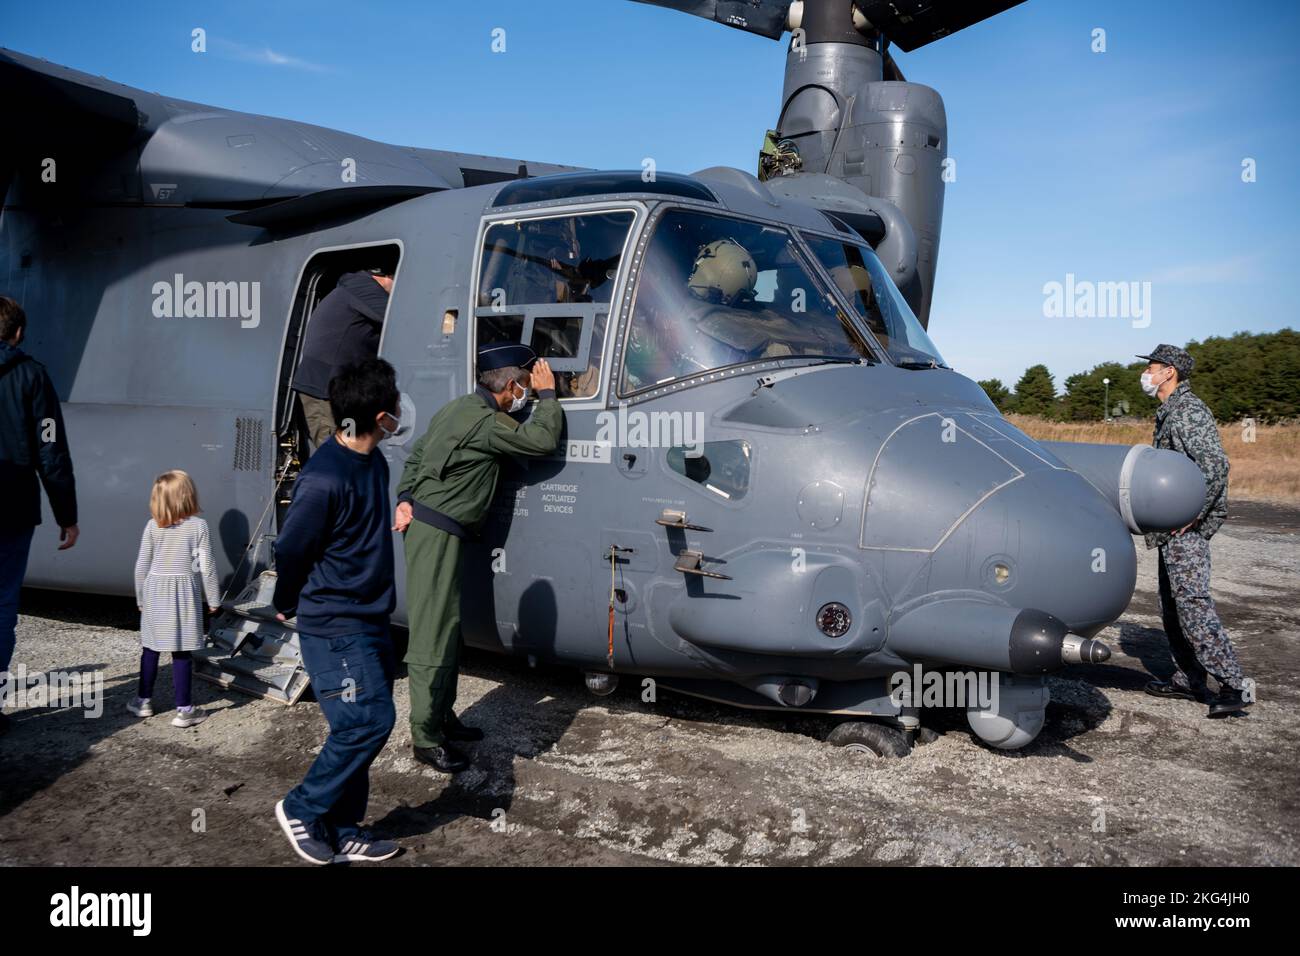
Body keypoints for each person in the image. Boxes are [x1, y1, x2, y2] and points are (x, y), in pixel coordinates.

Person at [394, 345, 563, 774]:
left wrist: (404, 497)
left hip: (434, 528)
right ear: (511, 386)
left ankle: (443, 717)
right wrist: (547, 398)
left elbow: (416, 454)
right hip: (438, 533)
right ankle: (426, 737)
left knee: (448, 628)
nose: (526, 390)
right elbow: (540, 441)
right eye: (525, 383)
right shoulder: (488, 423)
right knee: (433, 633)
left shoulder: (458, 408)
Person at [272, 358, 403, 865]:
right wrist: (286, 601)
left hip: (371, 616)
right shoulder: (323, 478)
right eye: (393, 402)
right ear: (378, 414)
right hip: (334, 623)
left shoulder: (375, 461)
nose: (399, 409)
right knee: (368, 722)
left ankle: (344, 828)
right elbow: (291, 549)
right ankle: (301, 807)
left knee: (357, 724)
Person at [1138, 344, 1251, 718]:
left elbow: (1216, 465)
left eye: (1152, 367)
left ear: (1169, 371)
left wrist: (1195, 514)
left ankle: (1233, 686)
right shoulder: (1169, 410)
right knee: (1172, 607)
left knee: (1193, 606)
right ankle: (1190, 678)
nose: (1147, 374)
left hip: (1185, 529)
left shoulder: (1187, 410)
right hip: (1172, 529)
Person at [0, 295, 78, 738]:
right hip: (11, 509)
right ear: (18, 333)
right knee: (2, 607)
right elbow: (51, 450)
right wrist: (66, 513)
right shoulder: (33, 377)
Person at [128, 471, 220, 727]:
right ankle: (185, 709)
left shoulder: (152, 526)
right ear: (188, 495)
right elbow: (207, 566)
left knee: (151, 648)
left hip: (155, 591)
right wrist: (213, 599)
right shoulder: (198, 526)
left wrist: (141, 598)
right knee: (181, 651)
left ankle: (143, 701)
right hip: (184, 594)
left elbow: (141, 567)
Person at [292, 266, 395, 450]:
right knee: (339, 451)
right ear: (388, 277)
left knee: (351, 446)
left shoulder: (354, 289)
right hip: (324, 390)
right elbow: (399, 317)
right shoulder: (365, 289)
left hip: (339, 388)